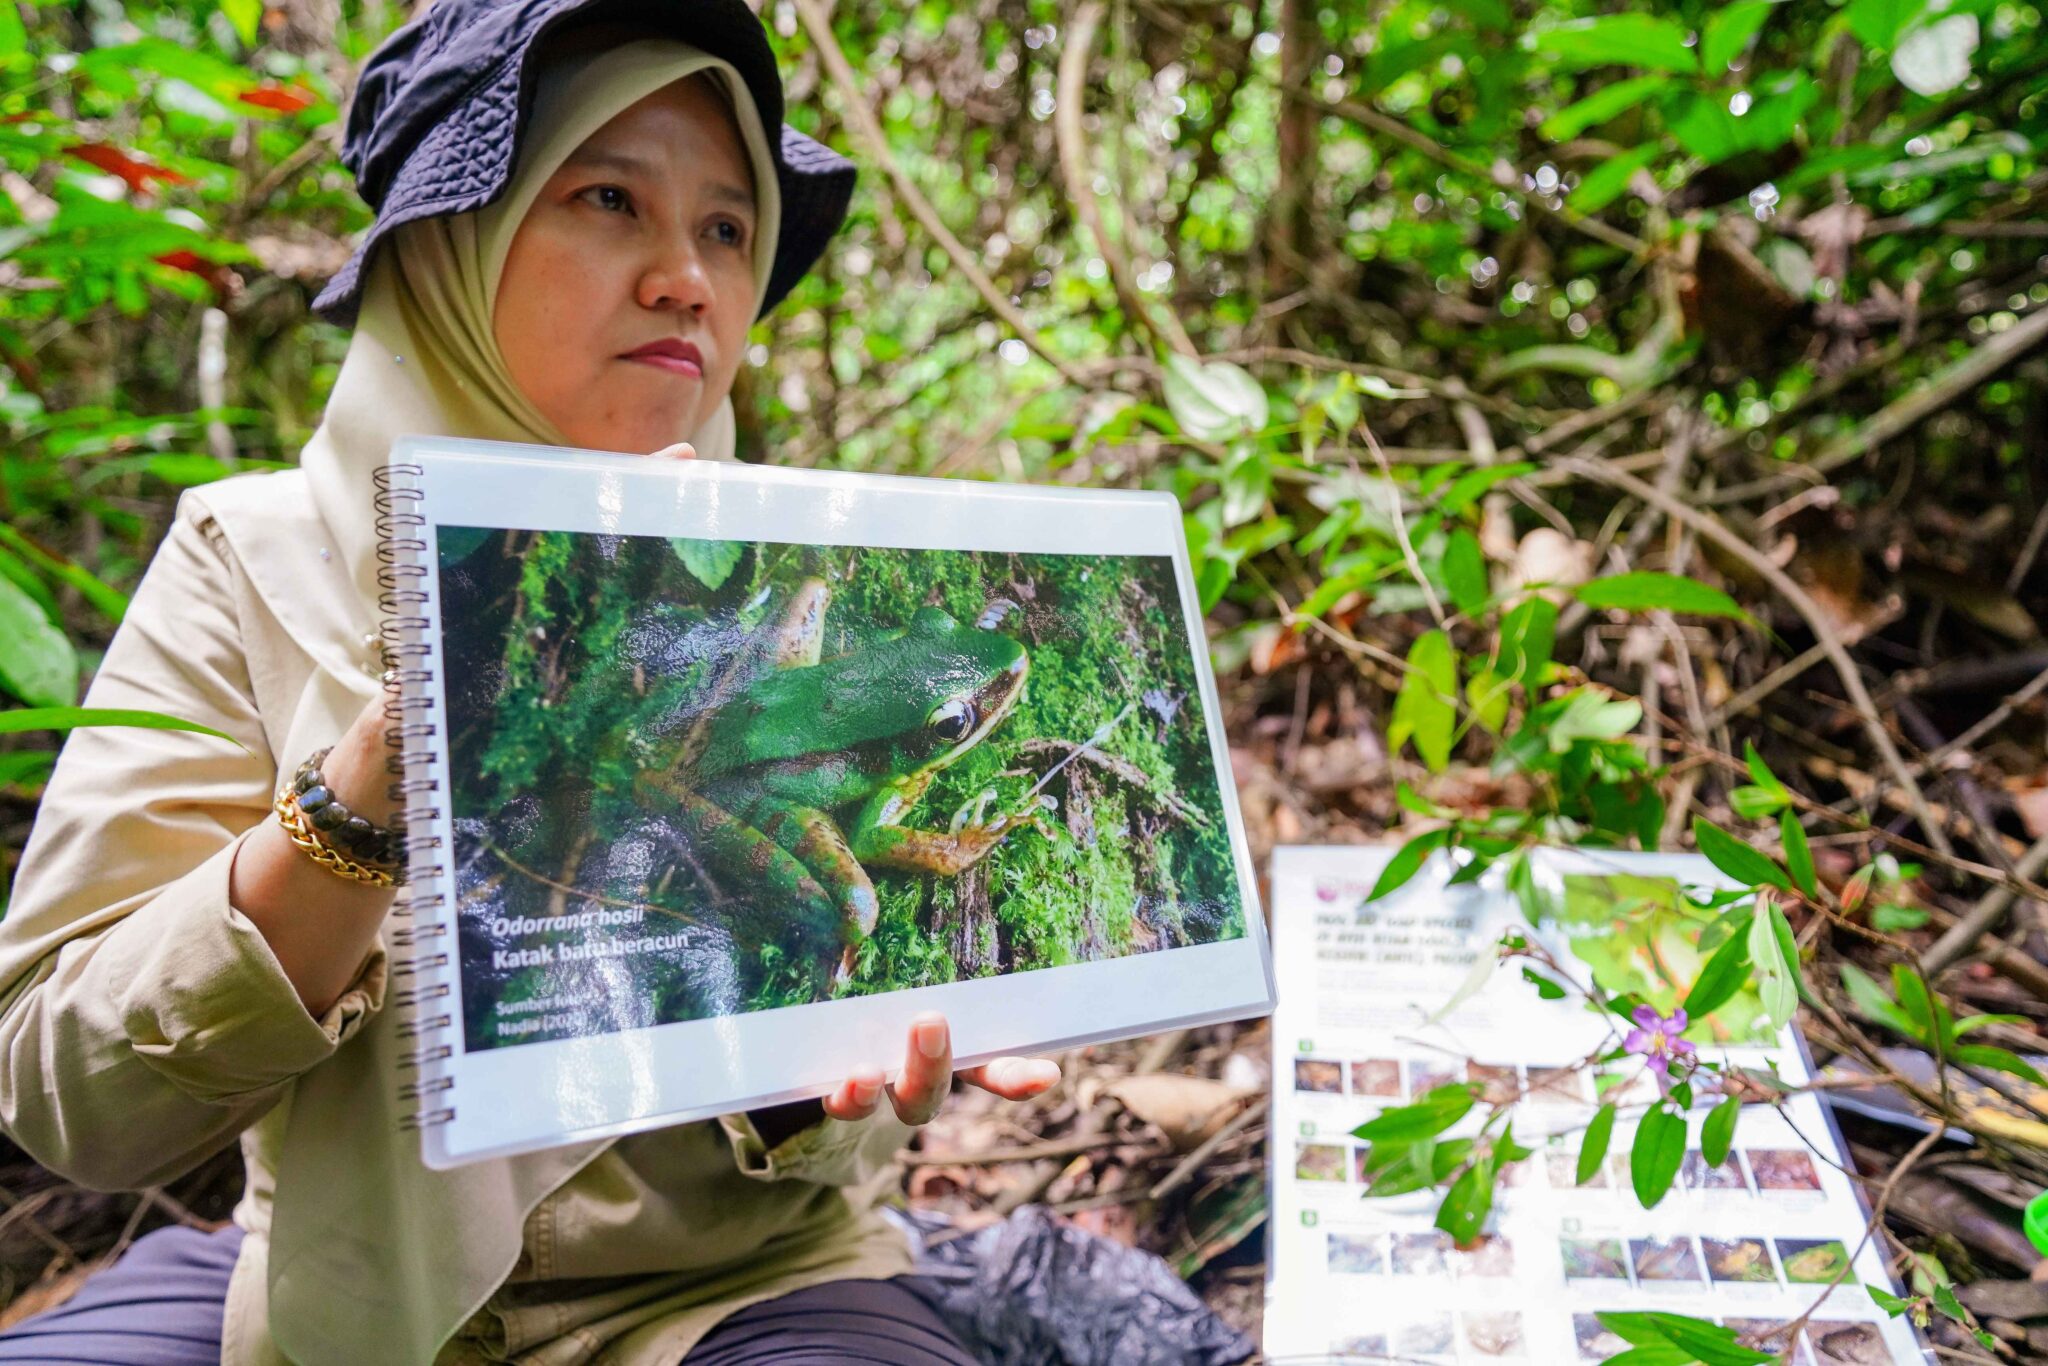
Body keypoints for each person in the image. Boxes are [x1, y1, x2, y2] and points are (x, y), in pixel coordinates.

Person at [0, 3, 1059, 1362]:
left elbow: (822, 1076)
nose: (688, 277)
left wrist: (819, 1083)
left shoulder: (793, 569)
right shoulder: (255, 555)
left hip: (730, 1290)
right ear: (453, 247)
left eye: (729, 229)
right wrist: (379, 779)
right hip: (342, 1293)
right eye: (610, 197)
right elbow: (67, 1096)